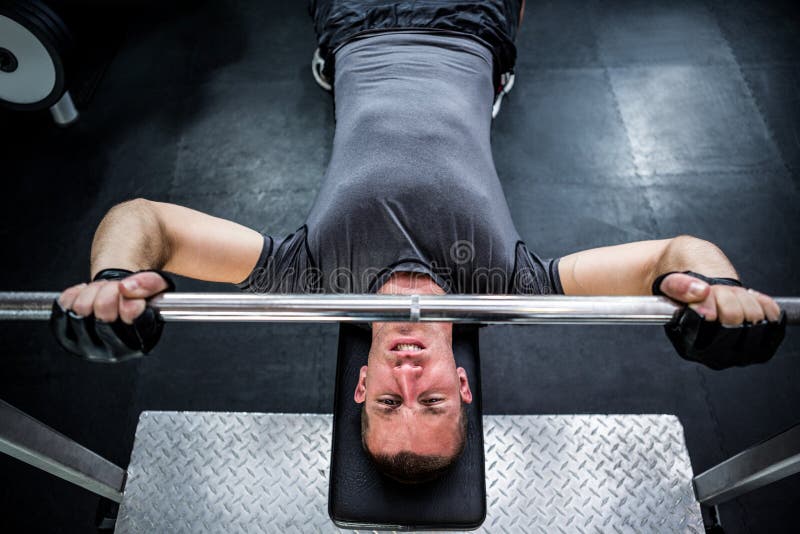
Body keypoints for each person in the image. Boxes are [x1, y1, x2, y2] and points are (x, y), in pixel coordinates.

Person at [52, 0, 786, 484]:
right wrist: (715, 298)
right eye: (432, 403)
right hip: (473, 18)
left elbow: (144, 218)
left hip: (358, 16)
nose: (408, 381)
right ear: (463, 388)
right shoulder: (510, 288)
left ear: (359, 389)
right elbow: (673, 256)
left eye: (387, 404)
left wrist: (113, 278)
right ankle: (497, 78)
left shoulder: (306, 278)